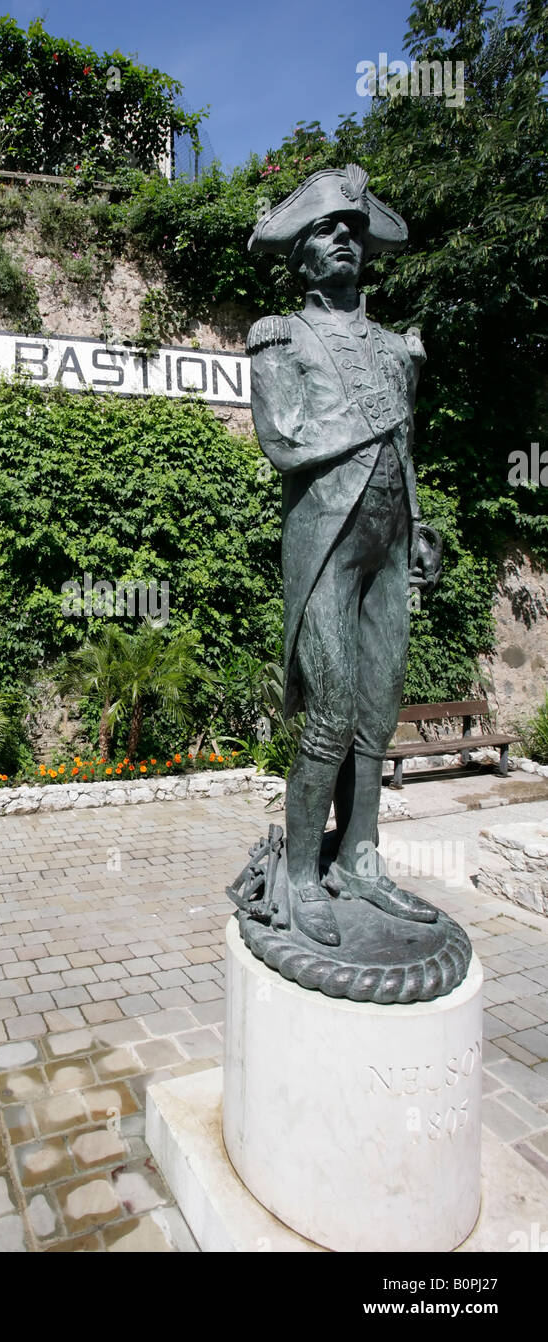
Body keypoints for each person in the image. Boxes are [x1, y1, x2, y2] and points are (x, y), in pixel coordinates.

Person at [248, 164, 440, 947]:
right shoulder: (279, 336)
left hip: (389, 544)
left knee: (376, 718)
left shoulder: (398, 349)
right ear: (301, 255)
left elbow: (406, 443)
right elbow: (284, 442)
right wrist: (374, 418)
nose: (345, 242)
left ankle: (360, 859)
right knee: (327, 715)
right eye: (328, 230)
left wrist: (419, 522)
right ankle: (298, 876)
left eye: (354, 231)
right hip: (325, 540)